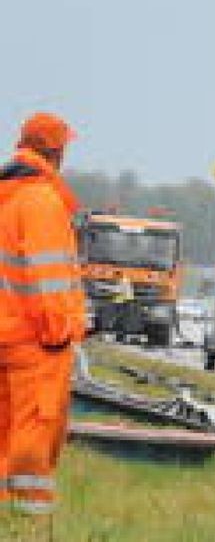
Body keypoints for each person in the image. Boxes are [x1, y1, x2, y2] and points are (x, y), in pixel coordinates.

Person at [0, 112, 86, 516]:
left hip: (7, 338)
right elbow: (49, 280)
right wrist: (58, 335)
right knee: (32, 440)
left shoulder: (7, 195)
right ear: (57, 150)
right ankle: (26, 522)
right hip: (36, 346)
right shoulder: (41, 201)